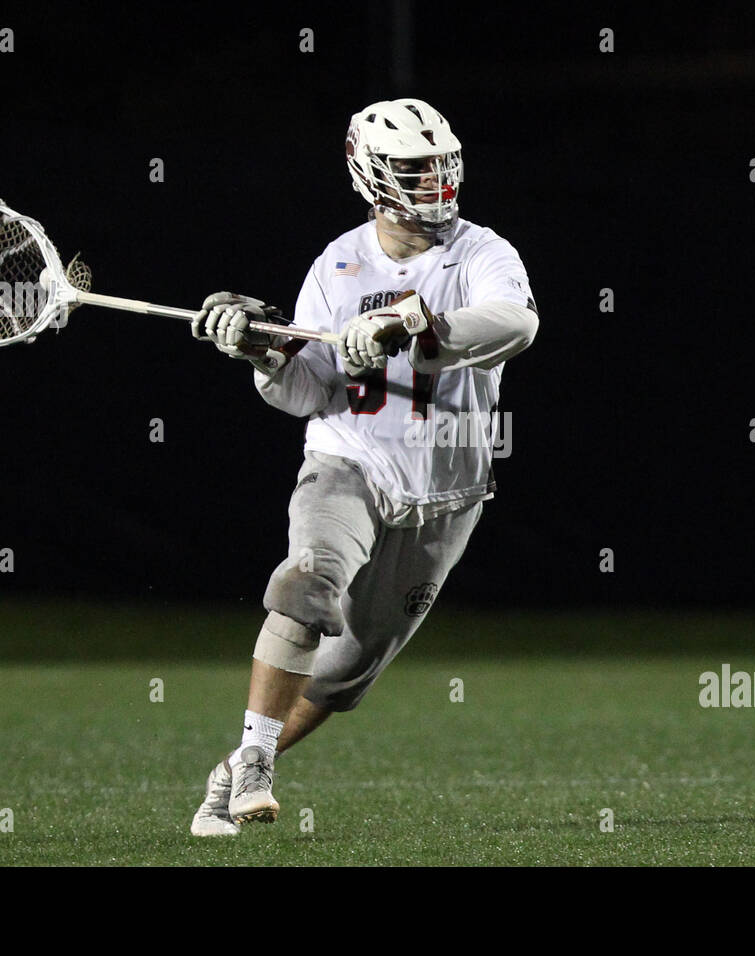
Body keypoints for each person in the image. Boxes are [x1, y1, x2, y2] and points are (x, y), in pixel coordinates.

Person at [188, 97, 538, 835]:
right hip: (351, 461)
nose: (437, 180)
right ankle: (256, 758)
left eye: (442, 164)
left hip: (446, 487)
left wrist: (413, 323)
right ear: (372, 175)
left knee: (347, 671)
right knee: (308, 578)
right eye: (416, 168)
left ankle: (238, 764)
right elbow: (308, 388)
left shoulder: (481, 252)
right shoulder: (338, 262)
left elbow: (516, 324)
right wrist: (260, 351)